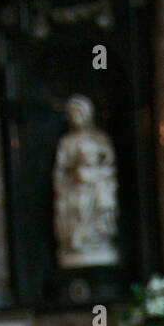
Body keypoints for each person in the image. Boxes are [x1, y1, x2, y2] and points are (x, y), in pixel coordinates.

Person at [53, 95, 119, 266]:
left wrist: (98, 174)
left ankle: (98, 237)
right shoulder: (67, 142)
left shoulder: (99, 138)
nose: (76, 118)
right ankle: (78, 239)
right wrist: (64, 185)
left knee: (103, 202)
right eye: (72, 115)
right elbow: (61, 170)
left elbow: (109, 163)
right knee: (74, 205)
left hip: (98, 184)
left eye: (79, 114)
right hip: (76, 186)